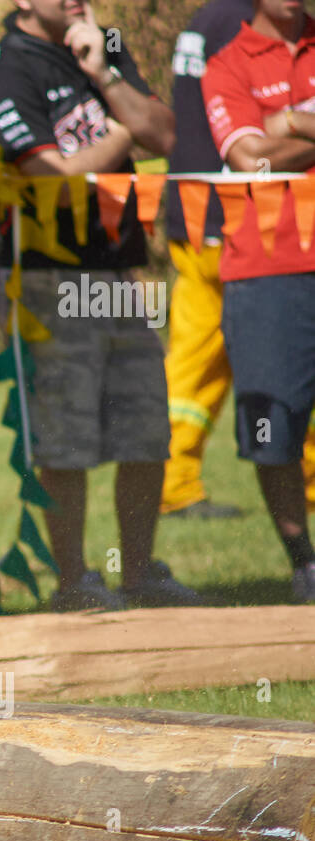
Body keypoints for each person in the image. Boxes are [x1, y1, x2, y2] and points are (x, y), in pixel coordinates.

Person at [0, 1, 200, 610]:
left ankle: (140, 572)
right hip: (44, 281)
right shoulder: (5, 69)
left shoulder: (104, 45)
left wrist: (104, 74)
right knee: (64, 439)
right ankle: (73, 582)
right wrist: (124, 128)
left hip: (119, 272)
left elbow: (170, 136)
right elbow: (55, 181)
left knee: (147, 428)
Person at [201, 0, 315, 601]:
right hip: (267, 270)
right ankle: (304, 566)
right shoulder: (225, 64)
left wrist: (288, 123)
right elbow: (251, 161)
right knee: (274, 429)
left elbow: (271, 146)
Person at [161, 0, 257, 520]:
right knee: (285, 345)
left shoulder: (208, 17)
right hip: (228, 218)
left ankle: (173, 482)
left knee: (198, 358)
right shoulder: (239, 22)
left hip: (198, 215)